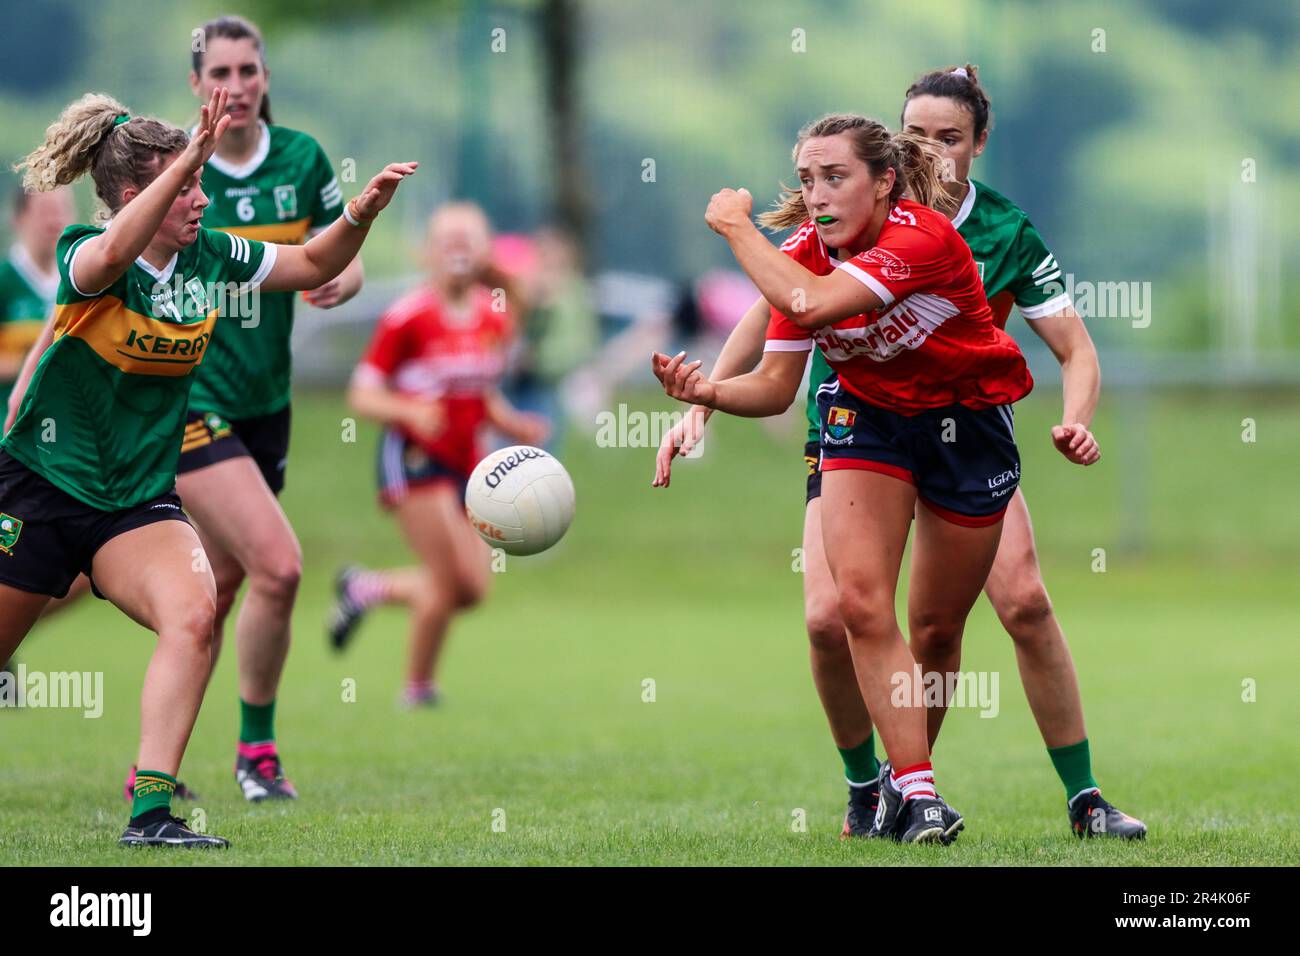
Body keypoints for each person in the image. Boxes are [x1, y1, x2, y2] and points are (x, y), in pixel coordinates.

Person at [656, 67, 1146, 841]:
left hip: (965, 426)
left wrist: (1077, 417)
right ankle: (895, 791)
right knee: (840, 612)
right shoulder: (820, 242)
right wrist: (705, 399)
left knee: (976, 615)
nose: (935, 152)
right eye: (919, 135)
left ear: (974, 145)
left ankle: (1070, 796)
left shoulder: (953, 234)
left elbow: (1073, 350)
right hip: (865, 416)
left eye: (950, 137)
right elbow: (779, 334)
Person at [1, 86, 414, 847]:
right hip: (39, 488)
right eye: (186, 184)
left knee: (193, 617)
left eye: (197, 181)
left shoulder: (209, 254)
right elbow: (117, 249)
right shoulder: (85, 258)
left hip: (135, 502)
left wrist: (361, 213)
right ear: (134, 194)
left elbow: (316, 260)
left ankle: (150, 815)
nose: (200, 197)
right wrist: (188, 155)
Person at [174, 14, 363, 802]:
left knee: (216, 590)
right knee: (280, 569)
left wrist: (337, 283)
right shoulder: (180, 171)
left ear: (265, 77)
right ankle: (257, 754)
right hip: (191, 399)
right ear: (197, 85)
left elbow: (340, 261)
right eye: (221, 74)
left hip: (266, 404)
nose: (237, 88)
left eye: (249, 71)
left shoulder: (302, 158)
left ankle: (154, 769)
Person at [326, 202, 548, 706]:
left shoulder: (491, 316)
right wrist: (407, 410)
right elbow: (362, 395)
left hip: (470, 464)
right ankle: (417, 689)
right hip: (414, 459)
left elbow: (479, 388)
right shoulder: (408, 317)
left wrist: (513, 423)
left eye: (468, 239)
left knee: (472, 591)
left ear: (484, 250)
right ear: (427, 251)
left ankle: (365, 589)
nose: (457, 249)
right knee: (452, 579)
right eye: (447, 239)